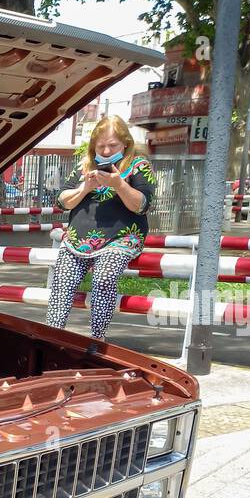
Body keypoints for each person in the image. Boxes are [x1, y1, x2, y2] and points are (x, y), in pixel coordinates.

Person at [48, 115, 157, 340]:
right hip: (77, 240)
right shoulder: (84, 165)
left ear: (125, 143)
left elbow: (143, 205)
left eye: (112, 145)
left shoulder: (139, 166)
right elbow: (61, 201)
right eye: (101, 146)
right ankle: (51, 336)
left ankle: (97, 338)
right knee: (61, 281)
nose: (106, 151)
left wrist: (119, 185)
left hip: (120, 239)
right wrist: (85, 188)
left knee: (104, 278)